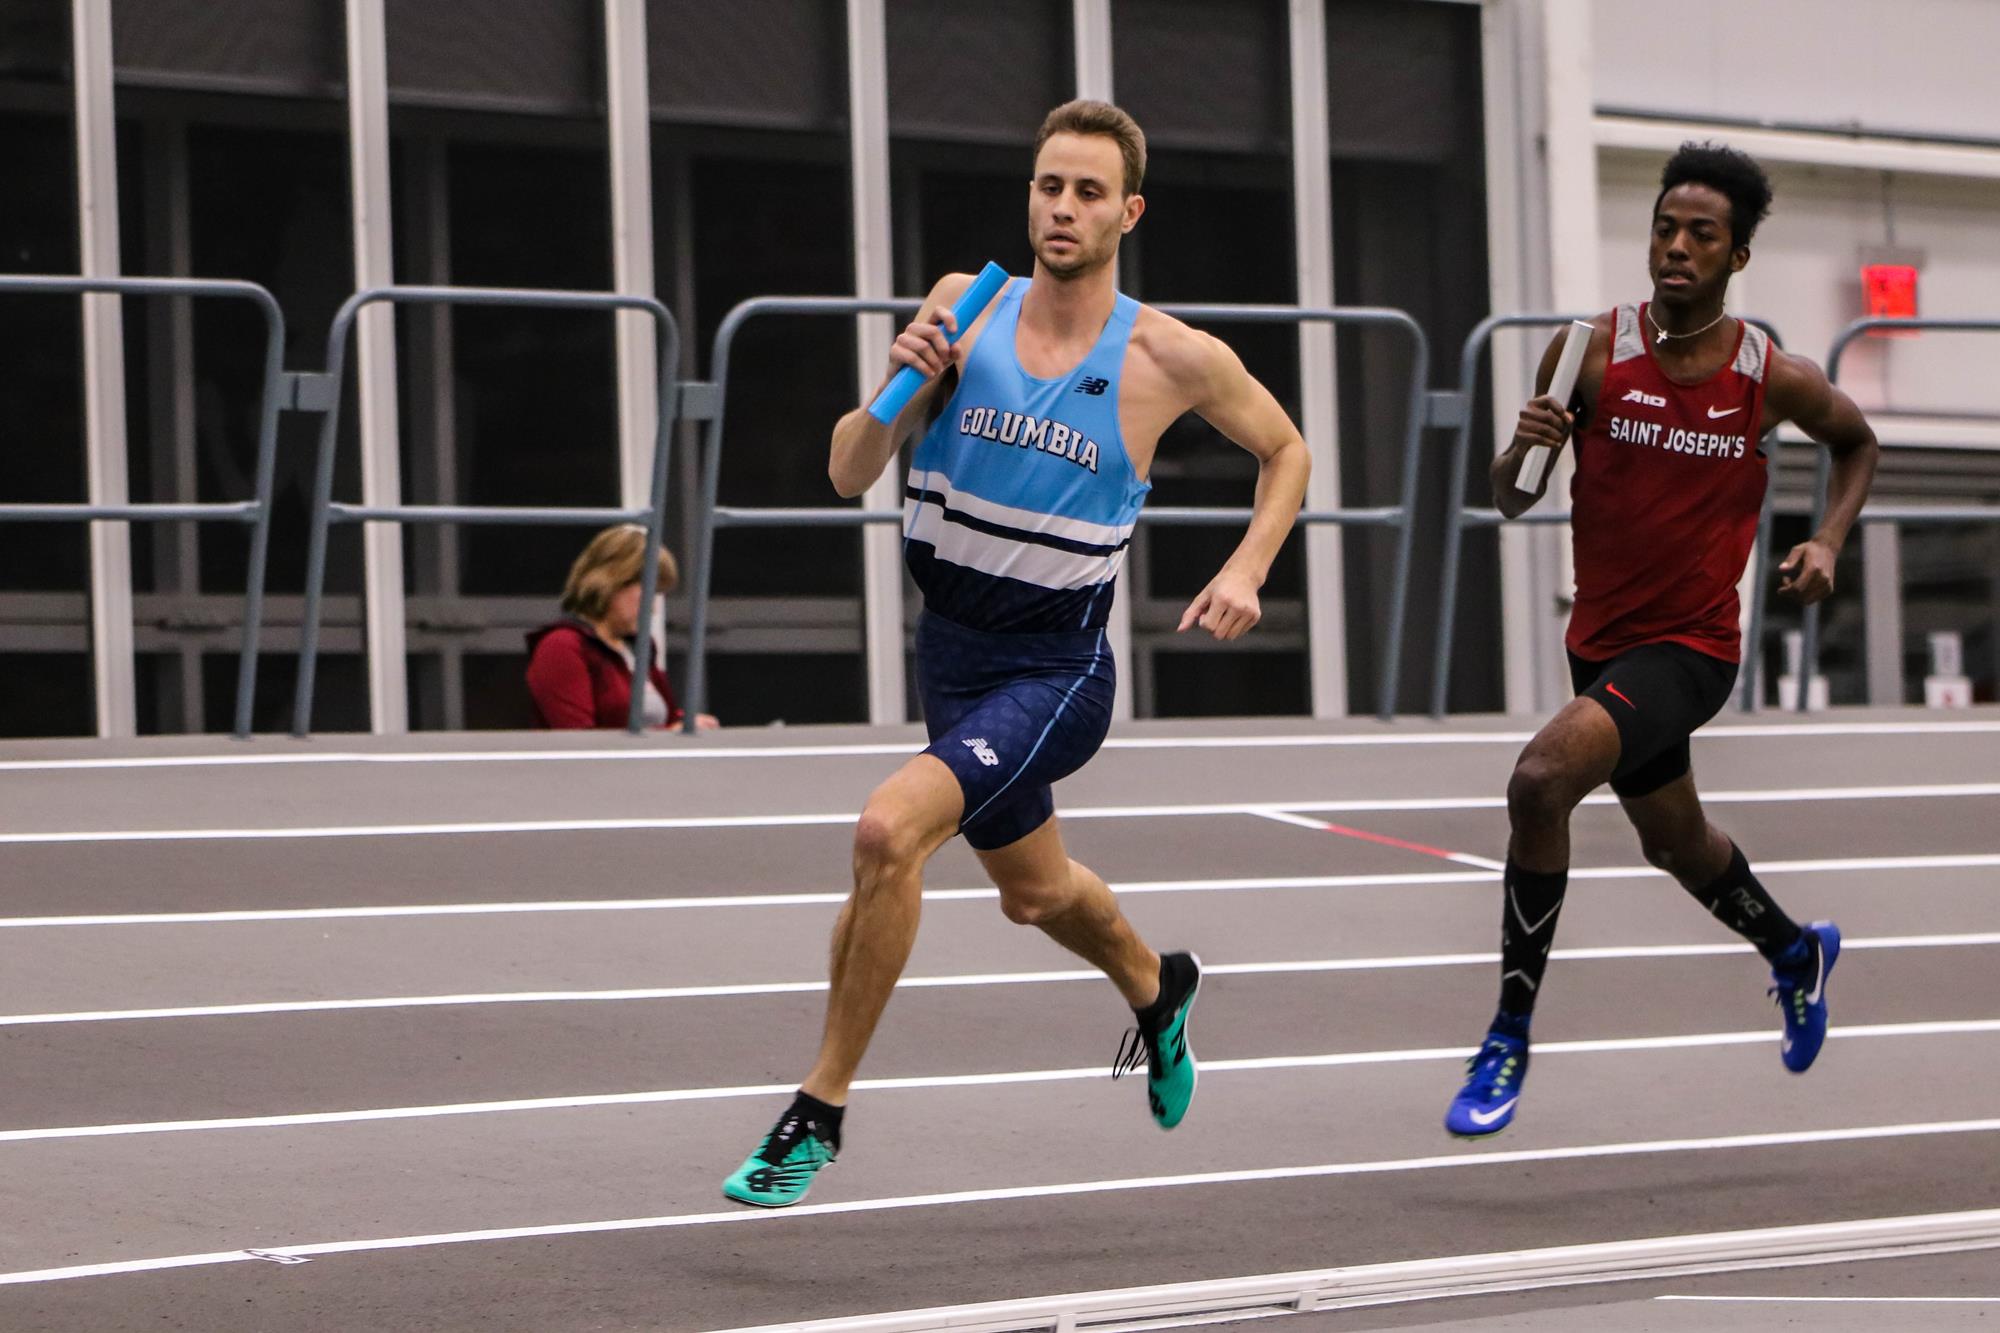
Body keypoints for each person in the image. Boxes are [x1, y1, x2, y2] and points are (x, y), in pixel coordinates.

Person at [720, 99, 1311, 1207]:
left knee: (886, 830)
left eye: (1088, 192)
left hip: (1054, 669)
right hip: (948, 650)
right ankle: (1156, 985)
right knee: (1033, 896)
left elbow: (1286, 449)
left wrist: (1245, 566)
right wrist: (899, 385)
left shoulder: (1167, 355)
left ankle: (819, 1109)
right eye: (1049, 186)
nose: (1063, 208)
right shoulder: (962, 306)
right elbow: (848, 471)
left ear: (1126, 211)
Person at [1444, 142, 1880, 1138]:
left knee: (1538, 781)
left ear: (1736, 257)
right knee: (1673, 841)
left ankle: (1507, 1032)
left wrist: (1823, 539)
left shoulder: (1767, 376)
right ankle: (1791, 950)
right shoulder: (1587, 350)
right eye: (1663, 228)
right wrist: (1524, 446)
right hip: (1599, 642)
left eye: (1701, 235)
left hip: (1690, 651)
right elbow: (1508, 500)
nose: (1675, 248)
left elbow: (1856, 443)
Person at [524, 523, 718, 731]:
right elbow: (579, 741)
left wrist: (688, 723)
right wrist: (669, 734)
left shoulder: (639, 647)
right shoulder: (562, 647)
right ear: (611, 583)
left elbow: (667, 718)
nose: (652, 607)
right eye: (648, 592)